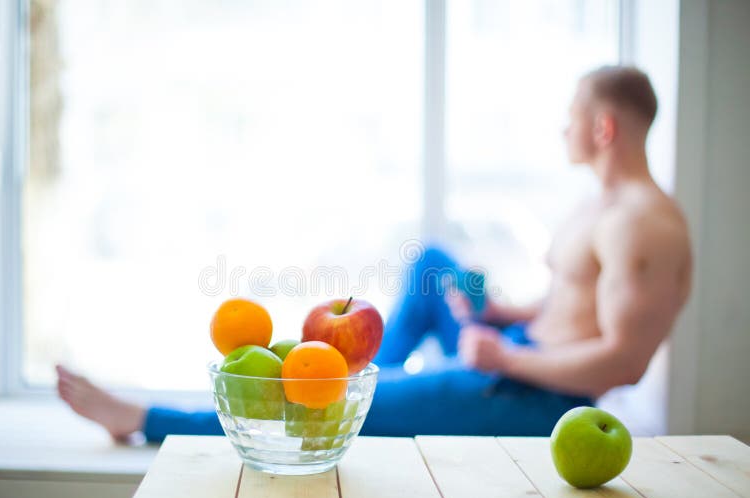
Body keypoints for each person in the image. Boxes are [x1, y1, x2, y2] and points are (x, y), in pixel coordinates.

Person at [57, 65, 692, 441]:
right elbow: (571, 300)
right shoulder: (603, 202)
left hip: (536, 397)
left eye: (572, 116)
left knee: (317, 405)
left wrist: (502, 356)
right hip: (517, 349)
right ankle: (366, 383)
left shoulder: (644, 227)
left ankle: (146, 418)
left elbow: (621, 365)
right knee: (434, 265)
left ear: (603, 129)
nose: (563, 128)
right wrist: (501, 315)